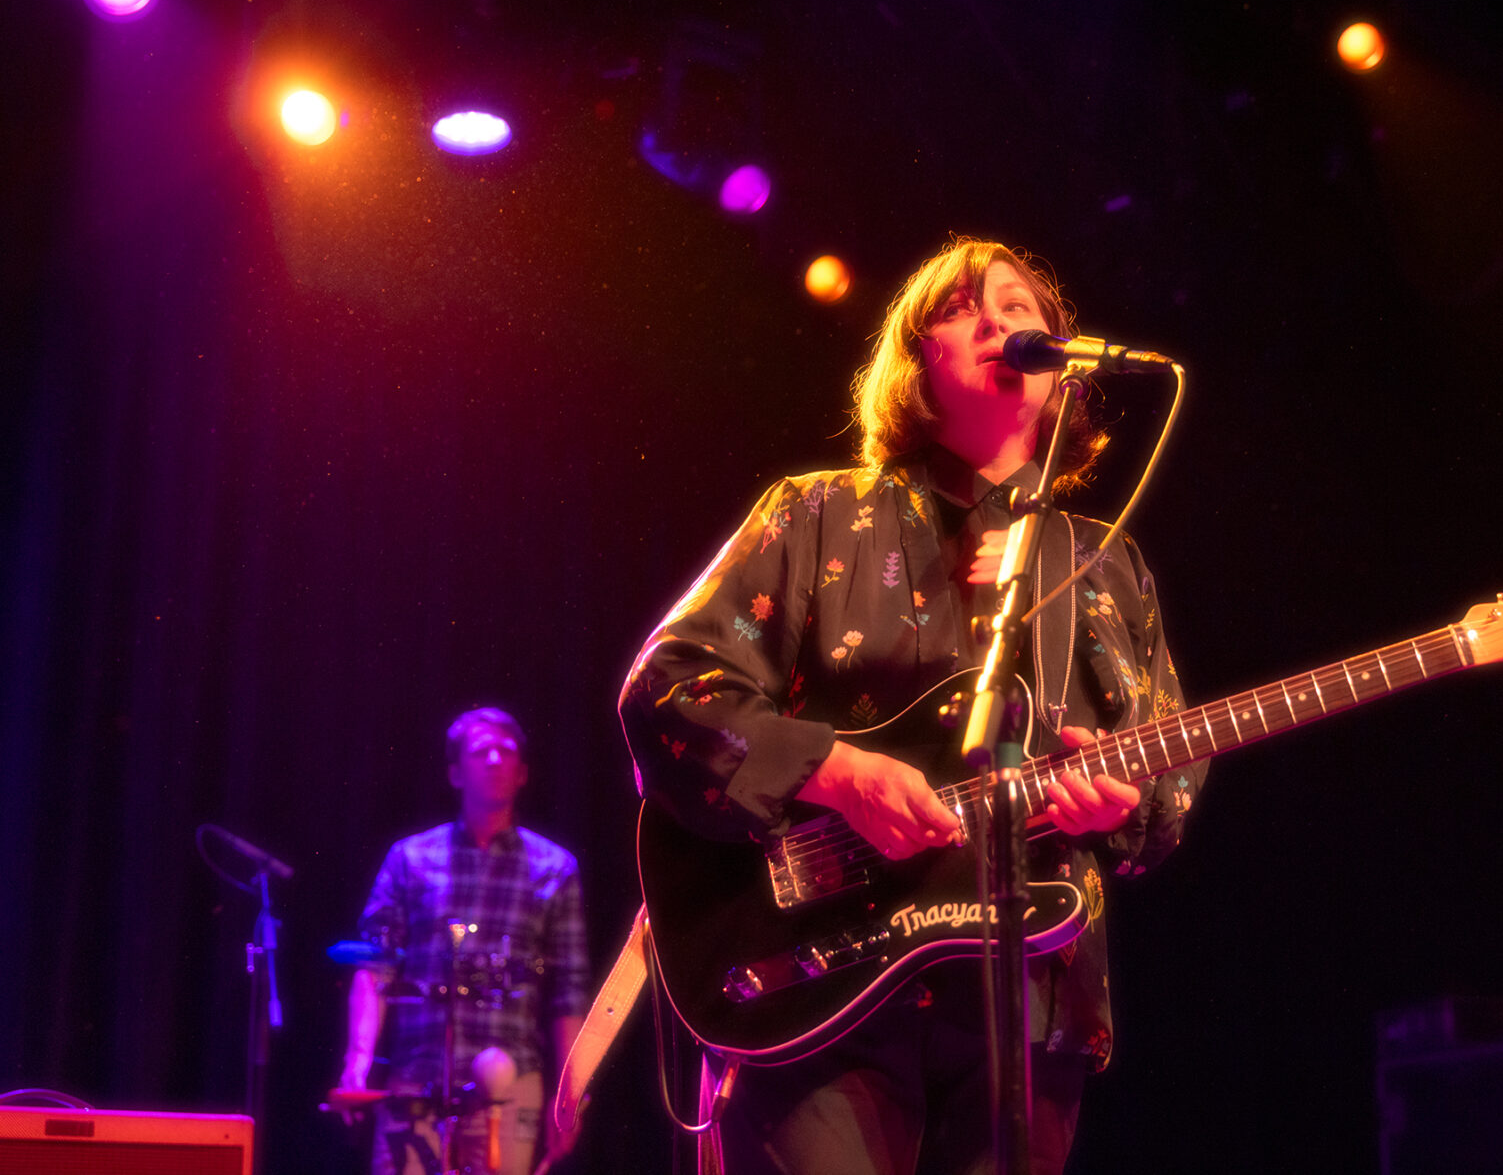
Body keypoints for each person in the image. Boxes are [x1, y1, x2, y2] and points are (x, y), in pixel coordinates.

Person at [619, 237, 1206, 1174]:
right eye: (960, 308)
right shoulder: (815, 514)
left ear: (1064, 365)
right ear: (916, 359)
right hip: (820, 977)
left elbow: (1165, 767)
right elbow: (674, 687)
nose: (997, 322)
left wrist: (1125, 802)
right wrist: (838, 772)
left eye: (1020, 308)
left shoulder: (1107, 563)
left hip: (1031, 1003)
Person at [339, 707, 593, 1175]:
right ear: (455, 772)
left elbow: (569, 992)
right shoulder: (410, 859)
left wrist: (570, 1092)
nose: (495, 759)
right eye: (481, 751)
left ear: (523, 774)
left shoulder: (555, 869)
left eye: (507, 751)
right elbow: (375, 967)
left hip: (512, 1081)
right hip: (416, 1078)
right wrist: (356, 1065)